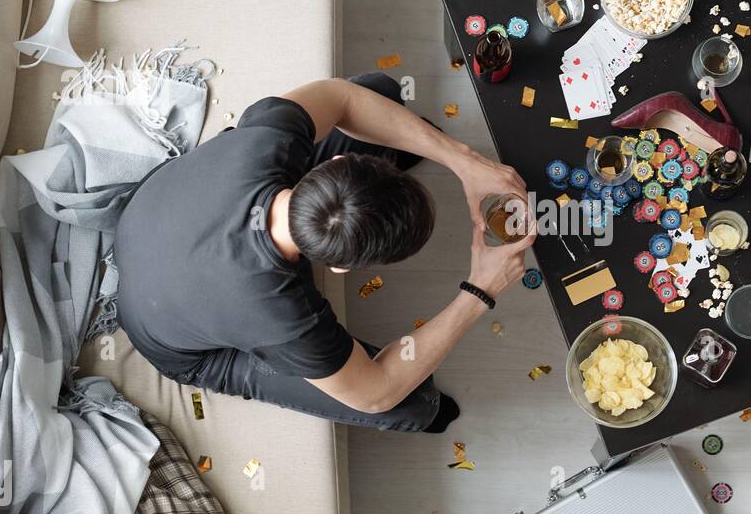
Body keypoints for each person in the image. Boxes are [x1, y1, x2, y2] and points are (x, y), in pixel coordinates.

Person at [113, 73, 535, 433]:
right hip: (174, 343)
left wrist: (464, 161)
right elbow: (375, 393)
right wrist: (481, 288)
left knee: (377, 89)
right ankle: (427, 414)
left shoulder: (268, 136)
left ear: (334, 161)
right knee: (409, 403)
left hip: (146, 214)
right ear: (339, 267)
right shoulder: (287, 319)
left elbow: (342, 96)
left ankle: (401, 150)